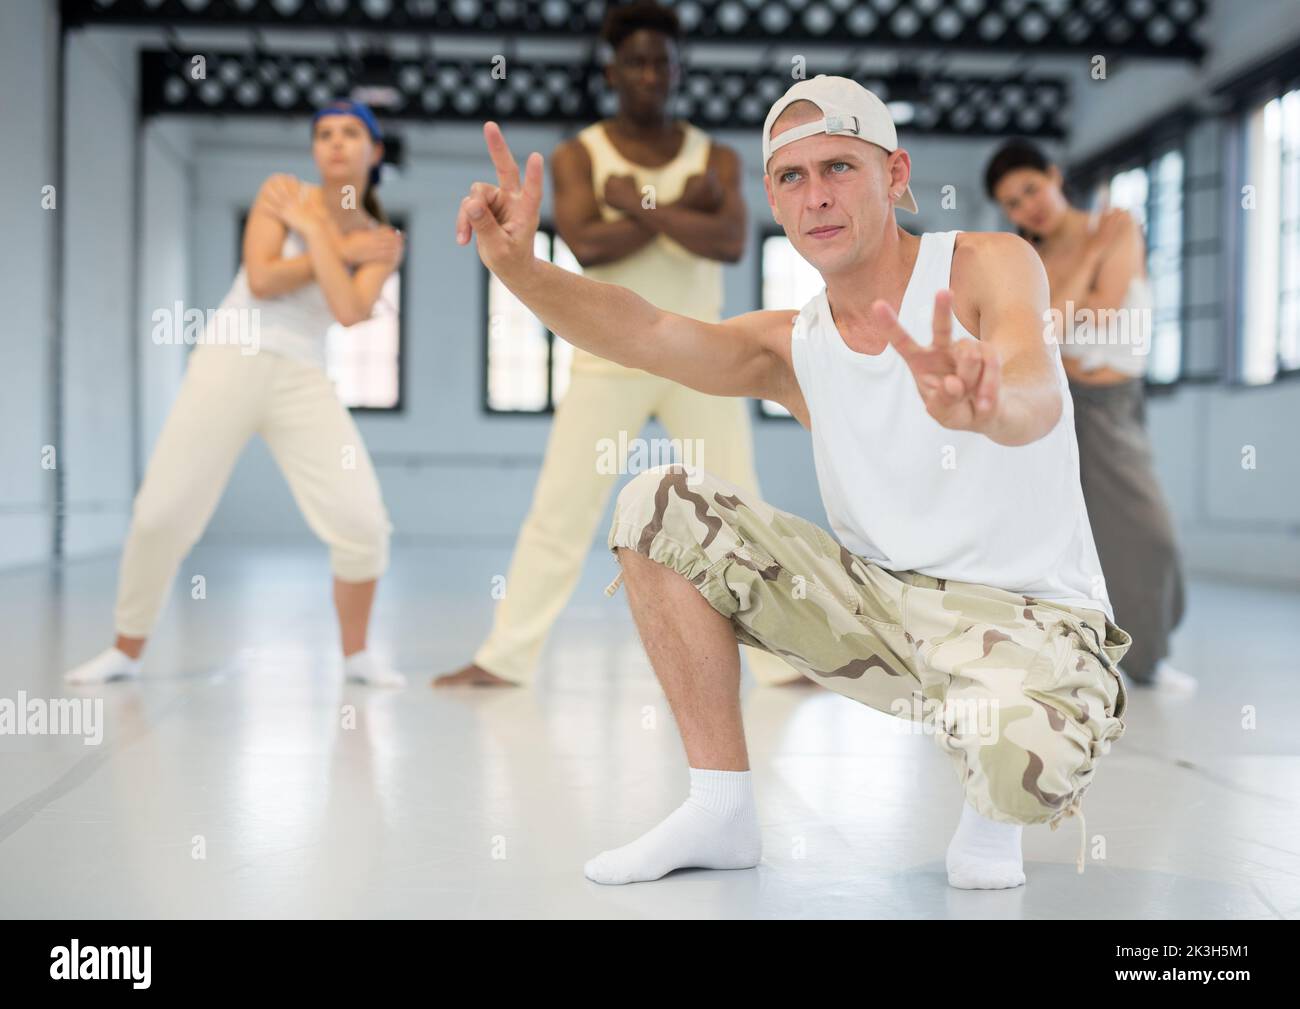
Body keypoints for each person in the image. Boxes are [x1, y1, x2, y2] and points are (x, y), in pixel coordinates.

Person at [455, 76, 1132, 890]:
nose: (817, 196)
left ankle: (992, 802)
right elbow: (645, 331)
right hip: (885, 611)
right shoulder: (790, 345)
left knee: (1016, 772)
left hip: (1030, 616)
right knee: (656, 503)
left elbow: (1032, 393)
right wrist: (521, 269)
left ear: (895, 174)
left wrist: (988, 408)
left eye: (840, 167)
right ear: (775, 203)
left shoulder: (985, 265)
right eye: (792, 177)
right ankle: (720, 809)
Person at [436, 0, 797, 688]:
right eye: (634, 60)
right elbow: (586, 243)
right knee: (560, 511)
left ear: (678, 68)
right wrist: (681, 207)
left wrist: (634, 202)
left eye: (661, 60)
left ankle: (780, 666)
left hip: (702, 356)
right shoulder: (579, 155)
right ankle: (504, 657)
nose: (649, 73)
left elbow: (729, 241)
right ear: (612, 70)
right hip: (608, 357)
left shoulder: (716, 153)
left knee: (743, 507)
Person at [65, 99, 405, 687]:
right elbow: (261, 277)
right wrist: (336, 253)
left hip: (302, 375)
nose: (336, 143)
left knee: (362, 521)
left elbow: (350, 312)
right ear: (313, 149)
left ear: (375, 152)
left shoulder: (382, 240)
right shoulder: (282, 193)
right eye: (324, 133)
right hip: (228, 360)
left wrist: (322, 237)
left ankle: (356, 656)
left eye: (352, 133)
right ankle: (125, 649)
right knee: (161, 515)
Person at [985, 139, 1191, 693]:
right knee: (1050, 538)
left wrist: (1088, 271)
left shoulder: (1119, 227)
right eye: (1012, 203)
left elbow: (1100, 310)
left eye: (1031, 188)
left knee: (1150, 536)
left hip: (1118, 402)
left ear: (1055, 176)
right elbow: (1051, 321)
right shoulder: (1031, 259)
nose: (1027, 208)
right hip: (1058, 400)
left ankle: (1146, 657)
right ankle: (1052, 659)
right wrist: (1090, 261)